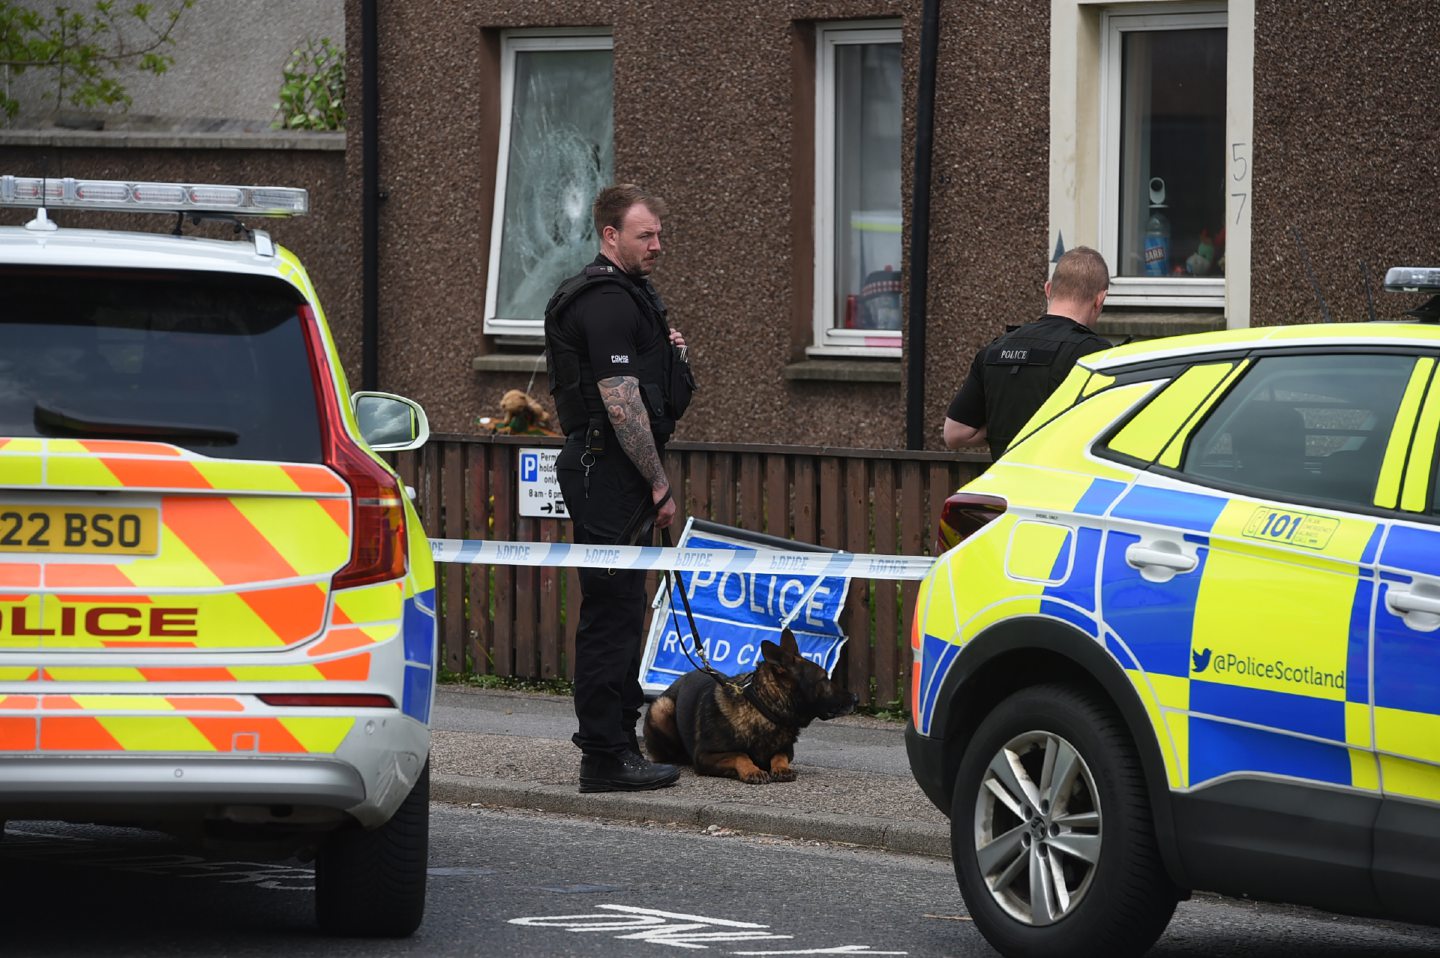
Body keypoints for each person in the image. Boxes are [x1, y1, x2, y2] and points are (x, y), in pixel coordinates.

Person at [542, 184, 695, 794]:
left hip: (612, 468)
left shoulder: (627, 296)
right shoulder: (605, 300)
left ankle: (616, 744)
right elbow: (620, 400)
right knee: (612, 614)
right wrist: (659, 484)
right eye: (644, 235)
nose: (657, 245)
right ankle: (604, 756)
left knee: (623, 610)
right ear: (610, 235)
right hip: (608, 470)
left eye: (659, 234)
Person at [943, 246, 1112, 459]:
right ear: (1100, 299)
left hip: (1003, 488)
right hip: (1062, 488)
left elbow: (954, 434)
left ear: (1048, 289)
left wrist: (1005, 424)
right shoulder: (1095, 354)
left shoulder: (994, 351)